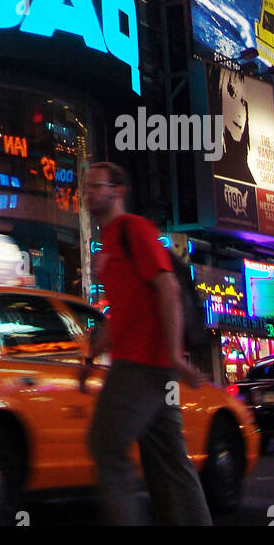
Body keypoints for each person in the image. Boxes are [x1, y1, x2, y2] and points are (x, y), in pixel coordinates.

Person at [80, 162, 212, 526]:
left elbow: (167, 287)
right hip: (143, 364)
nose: (89, 193)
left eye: (97, 186)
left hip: (143, 363)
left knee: (105, 445)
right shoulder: (107, 243)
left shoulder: (134, 229)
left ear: (118, 191)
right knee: (170, 460)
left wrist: (173, 354)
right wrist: (91, 354)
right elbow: (121, 310)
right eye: (86, 187)